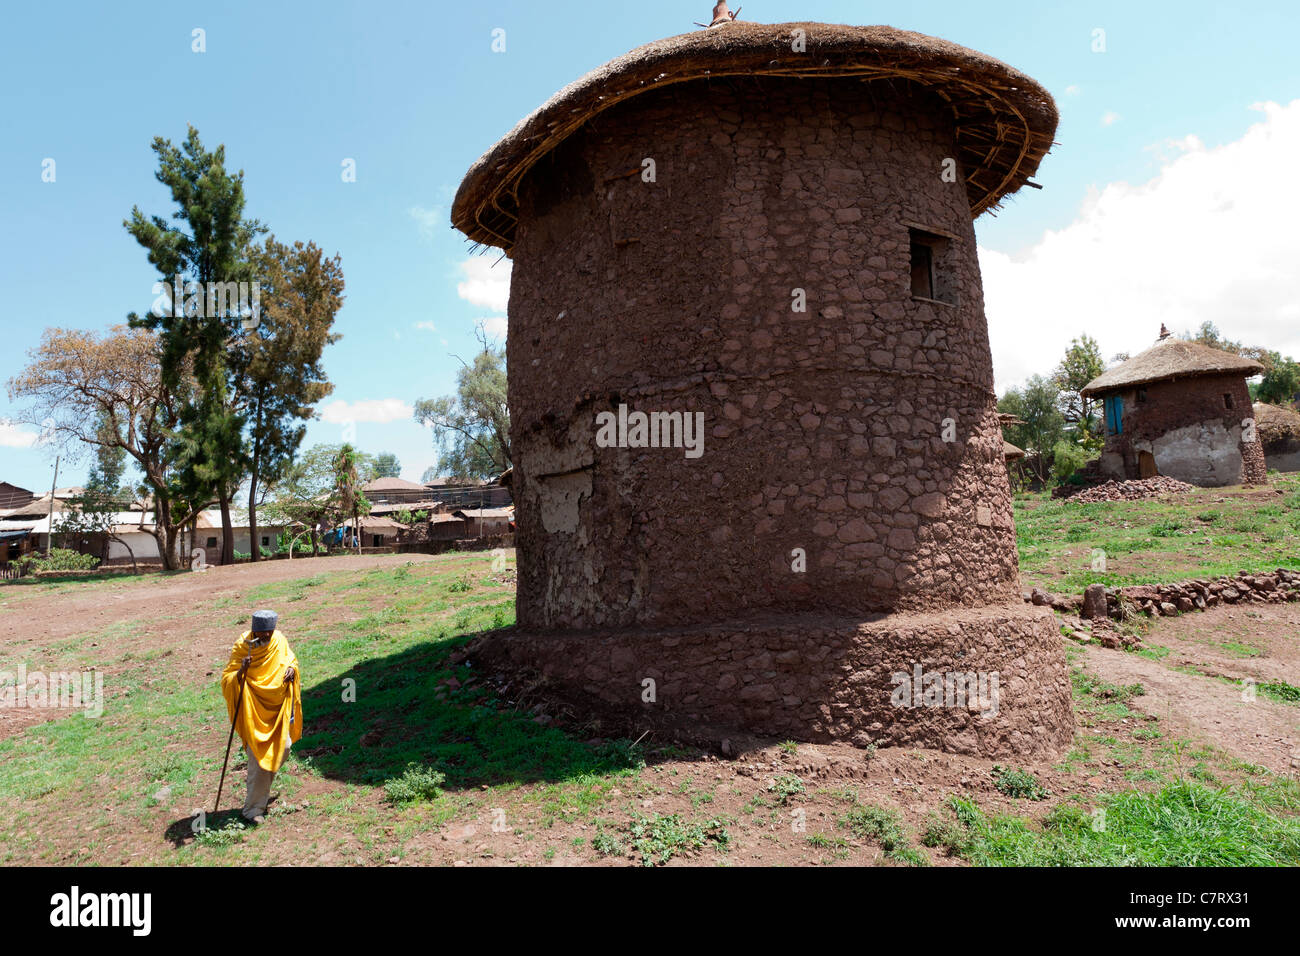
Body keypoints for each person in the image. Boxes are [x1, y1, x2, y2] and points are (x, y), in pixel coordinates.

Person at [220, 609, 302, 822]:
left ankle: (261, 792)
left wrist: (292, 670)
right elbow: (227, 679)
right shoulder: (242, 647)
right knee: (258, 761)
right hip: (253, 712)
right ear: (253, 629)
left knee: (284, 748)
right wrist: (241, 672)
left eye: (269, 633)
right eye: (261, 634)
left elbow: (290, 659)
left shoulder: (279, 640)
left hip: (278, 710)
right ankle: (253, 810)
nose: (265, 638)